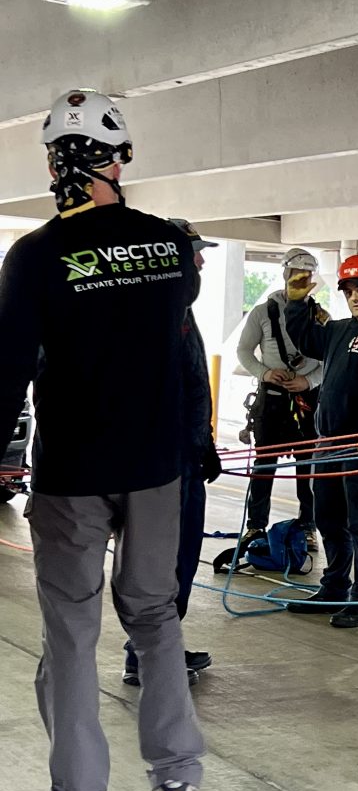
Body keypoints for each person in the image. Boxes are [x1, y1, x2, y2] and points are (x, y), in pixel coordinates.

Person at [0, 89, 206, 791]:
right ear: (116, 158)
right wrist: (194, 436)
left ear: (55, 162)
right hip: (155, 467)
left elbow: (7, 371)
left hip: (73, 475)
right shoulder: (170, 245)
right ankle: (179, 787)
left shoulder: (32, 257)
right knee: (155, 619)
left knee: (72, 638)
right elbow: (178, 346)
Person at [122, 219, 222, 688]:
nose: (201, 260)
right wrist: (188, 446)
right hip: (168, 458)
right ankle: (149, 656)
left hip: (178, 450)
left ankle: (154, 649)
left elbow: (191, 383)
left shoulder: (172, 306)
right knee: (169, 558)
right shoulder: (159, 311)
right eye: (194, 252)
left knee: (170, 557)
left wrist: (204, 442)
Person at [282, 253, 358, 628]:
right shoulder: (339, 330)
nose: (355, 296)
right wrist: (296, 302)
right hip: (328, 442)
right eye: (348, 290)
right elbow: (305, 339)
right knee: (328, 516)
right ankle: (334, 586)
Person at [235, 248, 323, 554]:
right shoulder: (262, 313)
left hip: (306, 402)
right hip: (272, 401)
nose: (299, 279)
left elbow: (330, 359)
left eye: (306, 275)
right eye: (294, 273)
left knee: (307, 468)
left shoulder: (320, 316)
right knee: (264, 465)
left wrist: (308, 381)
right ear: (284, 274)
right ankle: (256, 527)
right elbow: (244, 351)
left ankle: (309, 526)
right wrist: (264, 372)